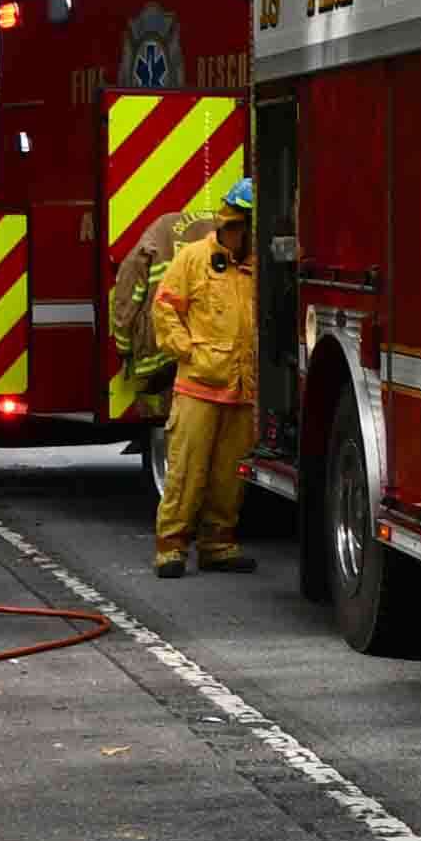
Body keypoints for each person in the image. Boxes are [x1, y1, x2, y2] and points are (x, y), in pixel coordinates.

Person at [148, 179, 260, 580]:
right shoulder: (194, 259)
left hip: (242, 390)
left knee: (228, 477)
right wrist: (188, 352)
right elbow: (165, 310)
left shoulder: (255, 266)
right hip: (199, 387)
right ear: (230, 222)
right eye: (239, 227)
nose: (242, 236)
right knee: (186, 472)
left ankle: (218, 545)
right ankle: (170, 548)